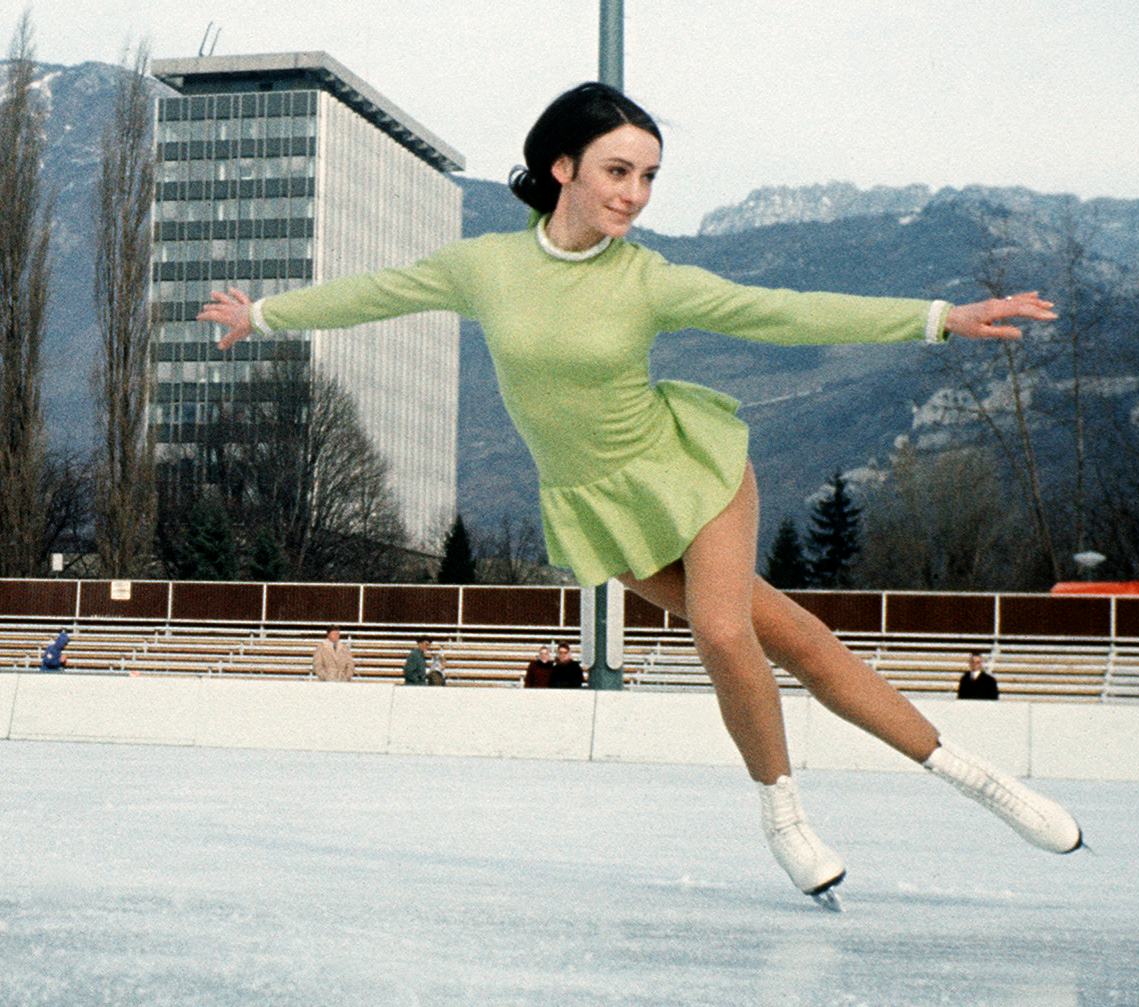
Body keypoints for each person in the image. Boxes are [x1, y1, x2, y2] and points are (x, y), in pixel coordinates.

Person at [199, 82, 1081, 906]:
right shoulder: (485, 267)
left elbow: (782, 310)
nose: (635, 194)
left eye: (649, 177)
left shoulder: (647, 278)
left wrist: (940, 318)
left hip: (689, 472)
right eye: (618, 171)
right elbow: (377, 295)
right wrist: (264, 314)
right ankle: (984, 781)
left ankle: (790, 817)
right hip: (604, 512)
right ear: (562, 169)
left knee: (722, 628)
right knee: (800, 642)